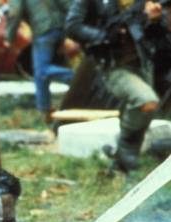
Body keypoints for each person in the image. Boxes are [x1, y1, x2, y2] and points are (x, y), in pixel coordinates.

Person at [66, 0, 168, 173]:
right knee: (146, 101)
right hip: (114, 65)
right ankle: (126, 153)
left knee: (145, 112)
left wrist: (153, 20)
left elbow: (154, 35)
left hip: (142, 64)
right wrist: (104, 36)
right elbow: (72, 27)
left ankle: (122, 162)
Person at [4, 0, 74, 123]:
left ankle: (76, 78)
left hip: (43, 30)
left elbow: (15, 12)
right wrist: (68, 32)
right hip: (59, 28)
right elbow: (68, 5)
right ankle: (45, 110)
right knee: (39, 74)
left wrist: (9, 37)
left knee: (41, 71)